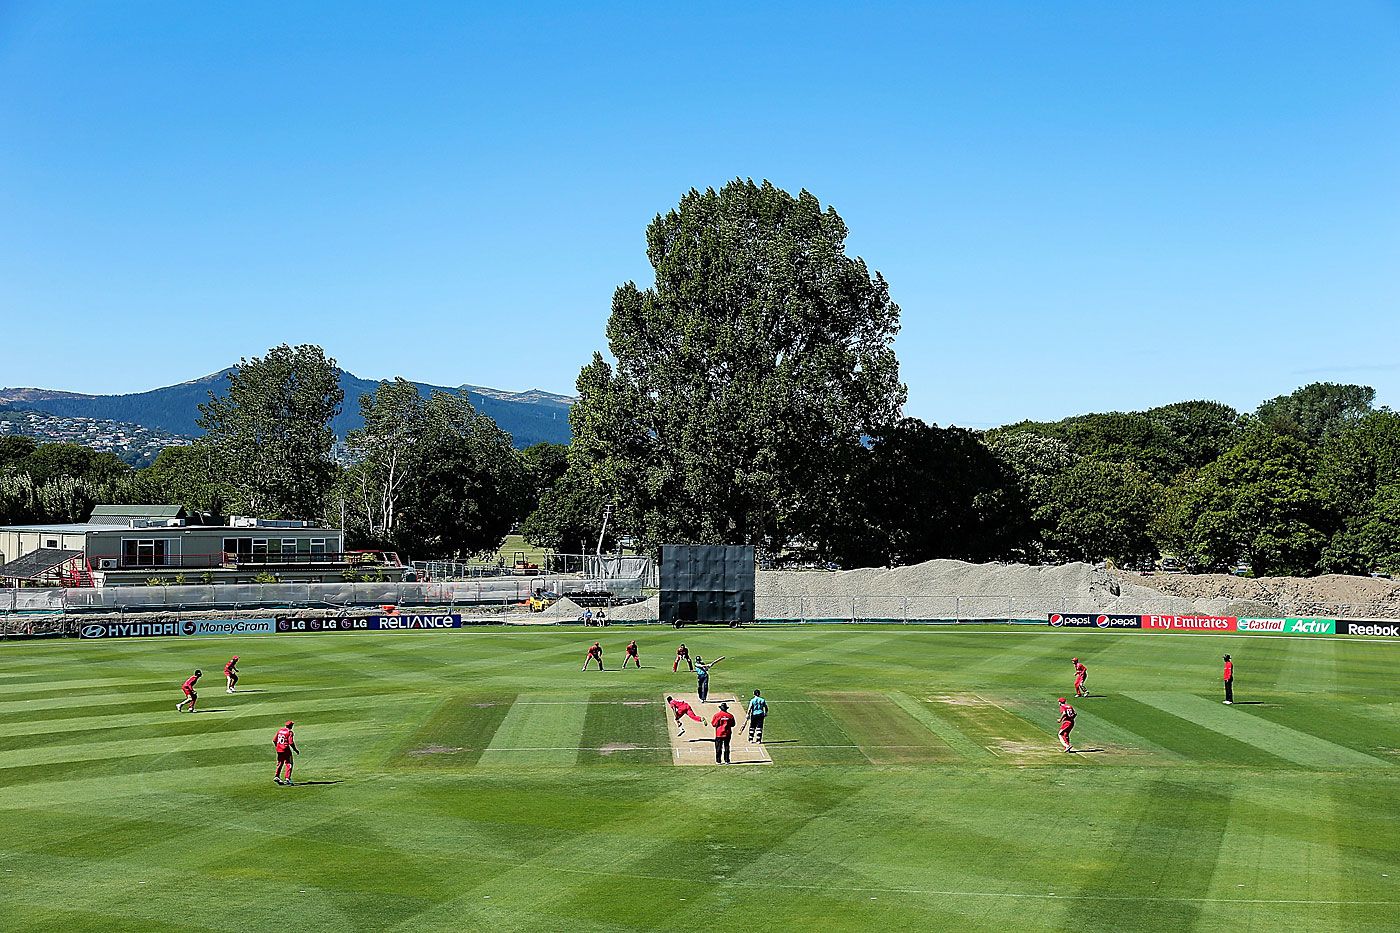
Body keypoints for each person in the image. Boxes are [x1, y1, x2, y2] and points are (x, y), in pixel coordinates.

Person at [273, 720, 299, 785]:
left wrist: (278, 746)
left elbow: (274, 740)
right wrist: (295, 750)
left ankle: (277, 776)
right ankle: (287, 778)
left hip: (279, 750)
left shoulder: (280, 730)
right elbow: (291, 742)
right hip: (286, 749)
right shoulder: (289, 732)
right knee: (289, 763)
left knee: (280, 763)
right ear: (291, 726)